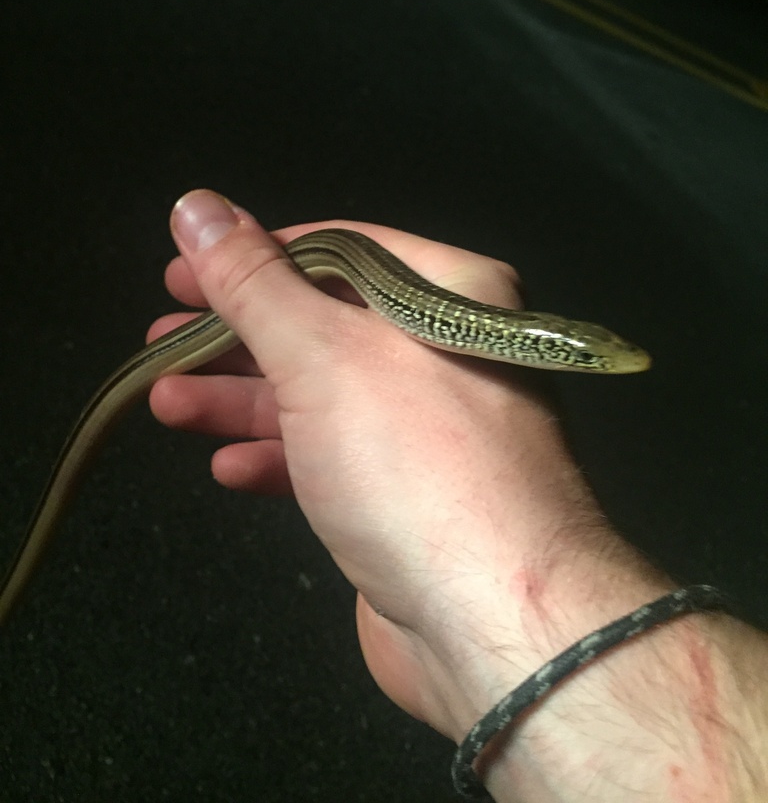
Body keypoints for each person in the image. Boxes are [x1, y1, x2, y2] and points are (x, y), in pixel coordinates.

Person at [148, 189, 768, 802]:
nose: (600, 364)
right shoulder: (492, 332)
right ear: (553, 349)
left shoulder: (496, 334)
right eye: (591, 360)